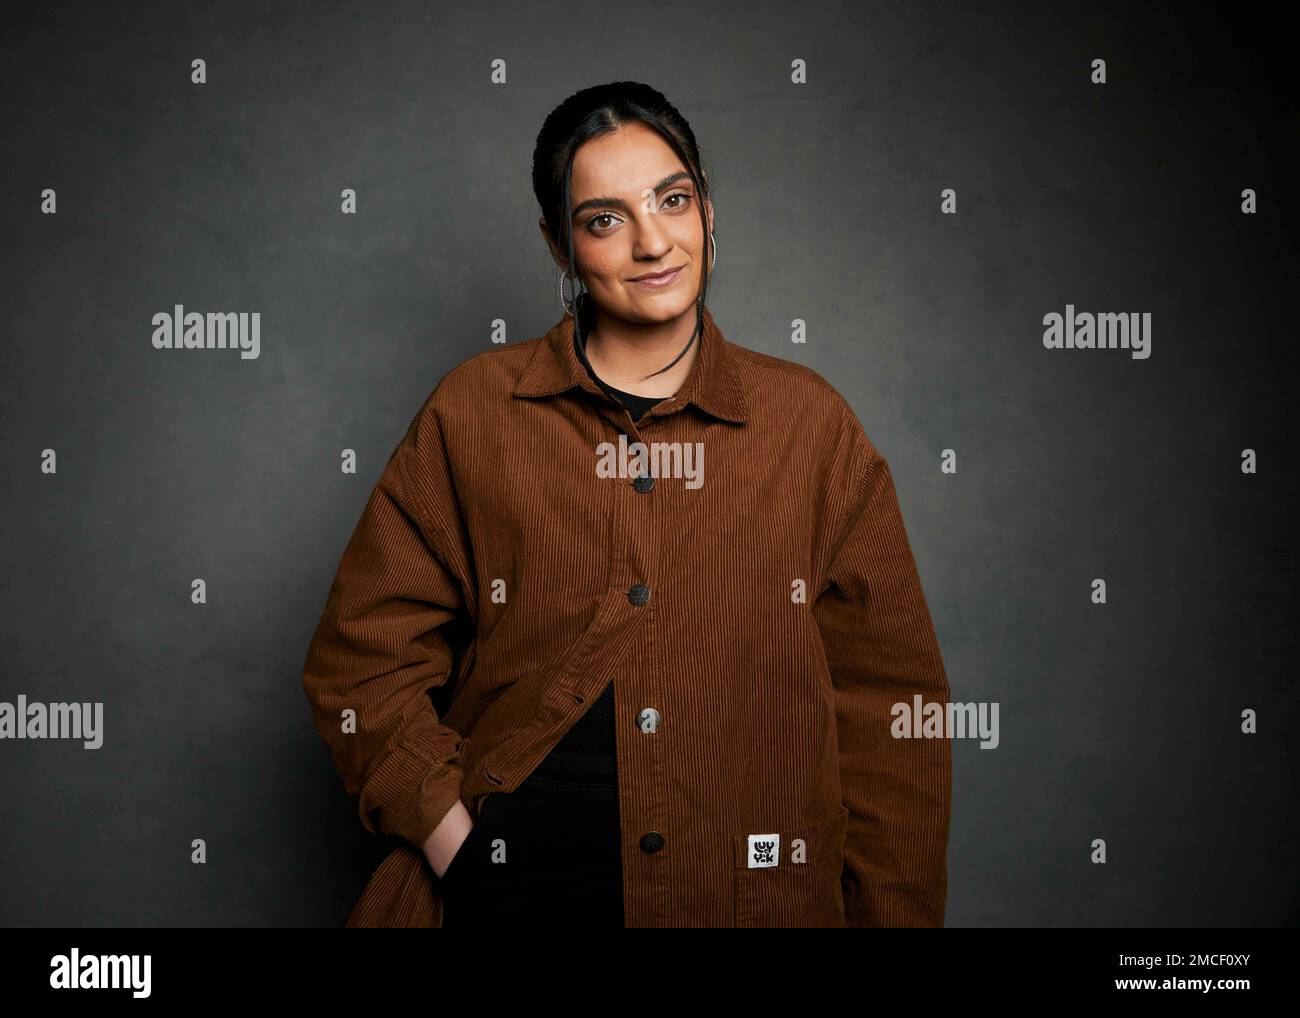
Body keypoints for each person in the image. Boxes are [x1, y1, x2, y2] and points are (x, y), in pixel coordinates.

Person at [302, 80, 952, 929]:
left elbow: (890, 708)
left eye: (672, 200)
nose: (653, 242)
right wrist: (453, 838)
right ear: (559, 246)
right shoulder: (474, 413)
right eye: (605, 219)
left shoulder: (811, 426)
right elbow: (361, 661)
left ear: (708, 211)